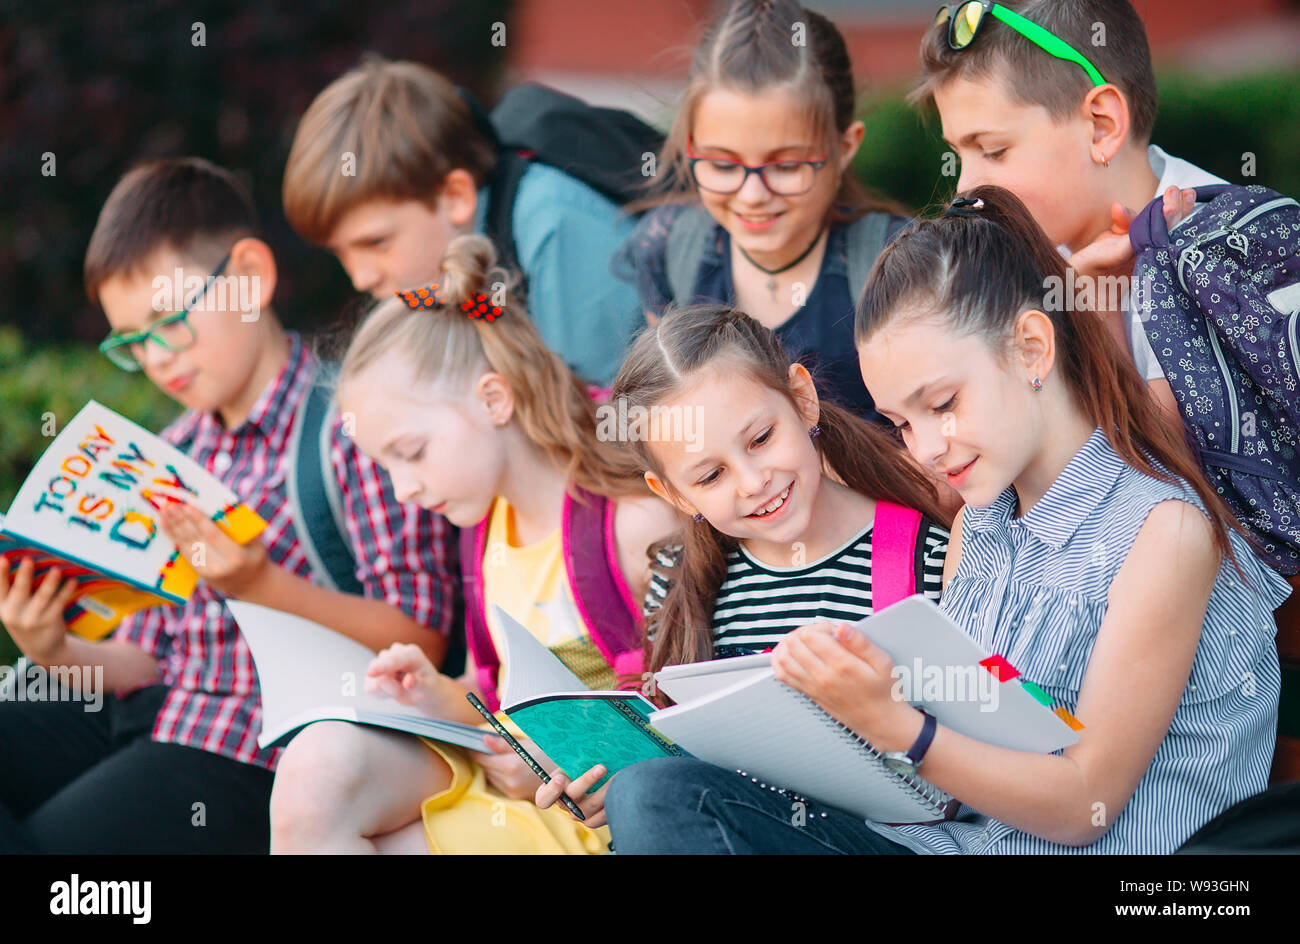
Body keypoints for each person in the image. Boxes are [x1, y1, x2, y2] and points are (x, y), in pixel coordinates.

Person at [602, 188, 1291, 854]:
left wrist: (899, 726)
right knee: (656, 793)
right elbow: (962, 770)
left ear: (1030, 349)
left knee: (658, 802)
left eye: (942, 404)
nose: (926, 448)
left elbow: (1086, 805)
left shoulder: (1162, 531)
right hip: (932, 841)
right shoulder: (979, 527)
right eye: (902, 421)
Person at [0, 157, 459, 854]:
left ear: (250, 276)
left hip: (263, 747)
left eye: (168, 322)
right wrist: (53, 647)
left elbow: (423, 640)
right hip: (162, 712)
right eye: (131, 343)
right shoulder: (172, 450)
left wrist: (260, 585)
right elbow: (148, 664)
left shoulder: (350, 426)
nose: (156, 359)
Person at [267, 234, 678, 853]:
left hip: (602, 814)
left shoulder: (632, 523)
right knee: (312, 775)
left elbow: (687, 711)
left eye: (412, 454)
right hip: (521, 789)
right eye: (387, 468)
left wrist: (549, 755)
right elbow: (497, 689)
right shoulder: (487, 526)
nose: (404, 490)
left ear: (494, 398)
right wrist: (440, 693)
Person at [535, 302, 950, 829]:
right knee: (643, 792)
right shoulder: (680, 580)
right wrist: (612, 776)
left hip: (895, 836)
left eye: (760, 439)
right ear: (675, 495)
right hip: (751, 831)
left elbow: (972, 761)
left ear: (801, 400)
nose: (753, 482)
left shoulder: (927, 557)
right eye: (711, 477)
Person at [913, 0, 1219, 425]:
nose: (964, 186)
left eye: (993, 150)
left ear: (1101, 126)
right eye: (958, 153)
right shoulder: (1021, 257)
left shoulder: (1220, 261)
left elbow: (1164, 472)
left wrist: (1094, 320)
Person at [614, 0, 911, 423]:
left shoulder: (896, 270)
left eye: (787, 166)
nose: (752, 194)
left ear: (844, 147)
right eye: (722, 165)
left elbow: (938, 464)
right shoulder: (669, 250)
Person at [282, 55, 642, 387]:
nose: (361, 277)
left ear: (455, 197)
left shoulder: (553, 228)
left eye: (377, 243)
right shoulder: (439, 273)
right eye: (339, 252)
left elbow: (622, 411)